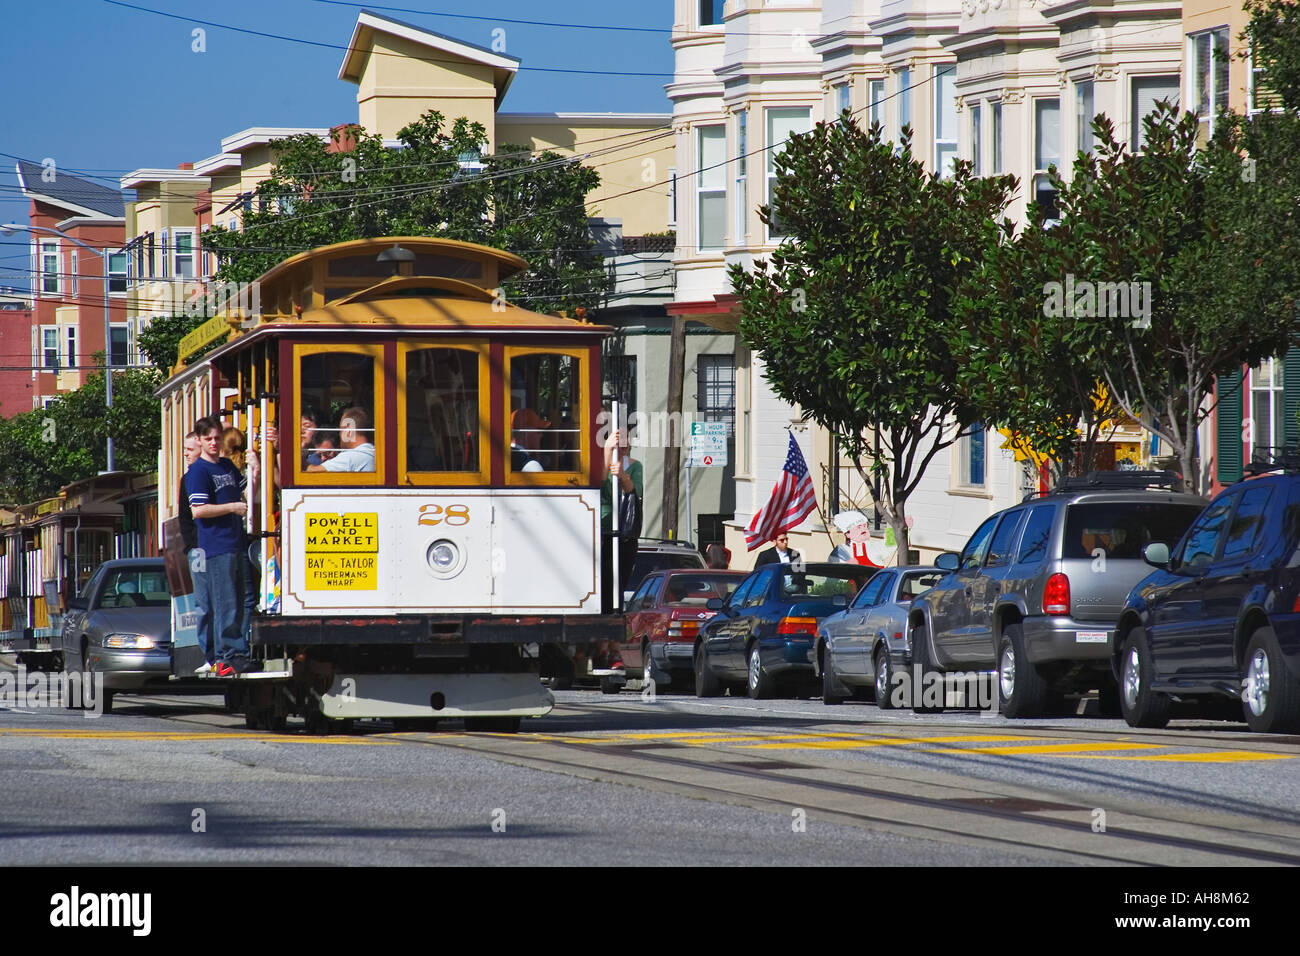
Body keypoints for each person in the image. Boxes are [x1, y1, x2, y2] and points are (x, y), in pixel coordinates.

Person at [186, 415, 255, 676]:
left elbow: (249, 493)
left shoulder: (226, 466)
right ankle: (226, 657)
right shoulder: (198, 472)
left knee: (241, 601)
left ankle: (238, 652)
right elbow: (198, 511)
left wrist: (256, 469)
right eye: (208, 439)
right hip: (215, 546)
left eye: (217, 438)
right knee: (224, 603)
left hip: (236, 542)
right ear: (200, 441)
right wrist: (232, 507)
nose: (214, 443)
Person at [178, 431, 212, 673]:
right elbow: (185, 518)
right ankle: (208, 653)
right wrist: (192, 546)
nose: (186, 454)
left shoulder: (213, 473)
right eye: (185, 449)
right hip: (199, 551)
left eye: (190, 449)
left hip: (217, 547)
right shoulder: (187, 479)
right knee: (203, 603)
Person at [223, 426, 260, 648]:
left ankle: (239, 646)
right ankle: (242, 643)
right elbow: (252, 500)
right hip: (245, 536)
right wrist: (255, 470)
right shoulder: (240, 474)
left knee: (239, 596)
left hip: (233, 538)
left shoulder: (226, 473)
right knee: (246, 597)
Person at [600, 426, 643, 615]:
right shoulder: (602, 462)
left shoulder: (634, 465)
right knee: (602, 582)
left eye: (625, 445)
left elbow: (635, 493)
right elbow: (598, 483)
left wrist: (623, 476)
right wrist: (607, 452)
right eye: (619, 444)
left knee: (618, 581)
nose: (623, 448)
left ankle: (611, 636)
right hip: (601, 529)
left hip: (623, 534)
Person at [307, 407, 375, 472]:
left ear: (349, 431)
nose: (340, 434)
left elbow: (311, 472)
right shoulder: (373, 452)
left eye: (341, 430)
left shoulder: (351, 457)